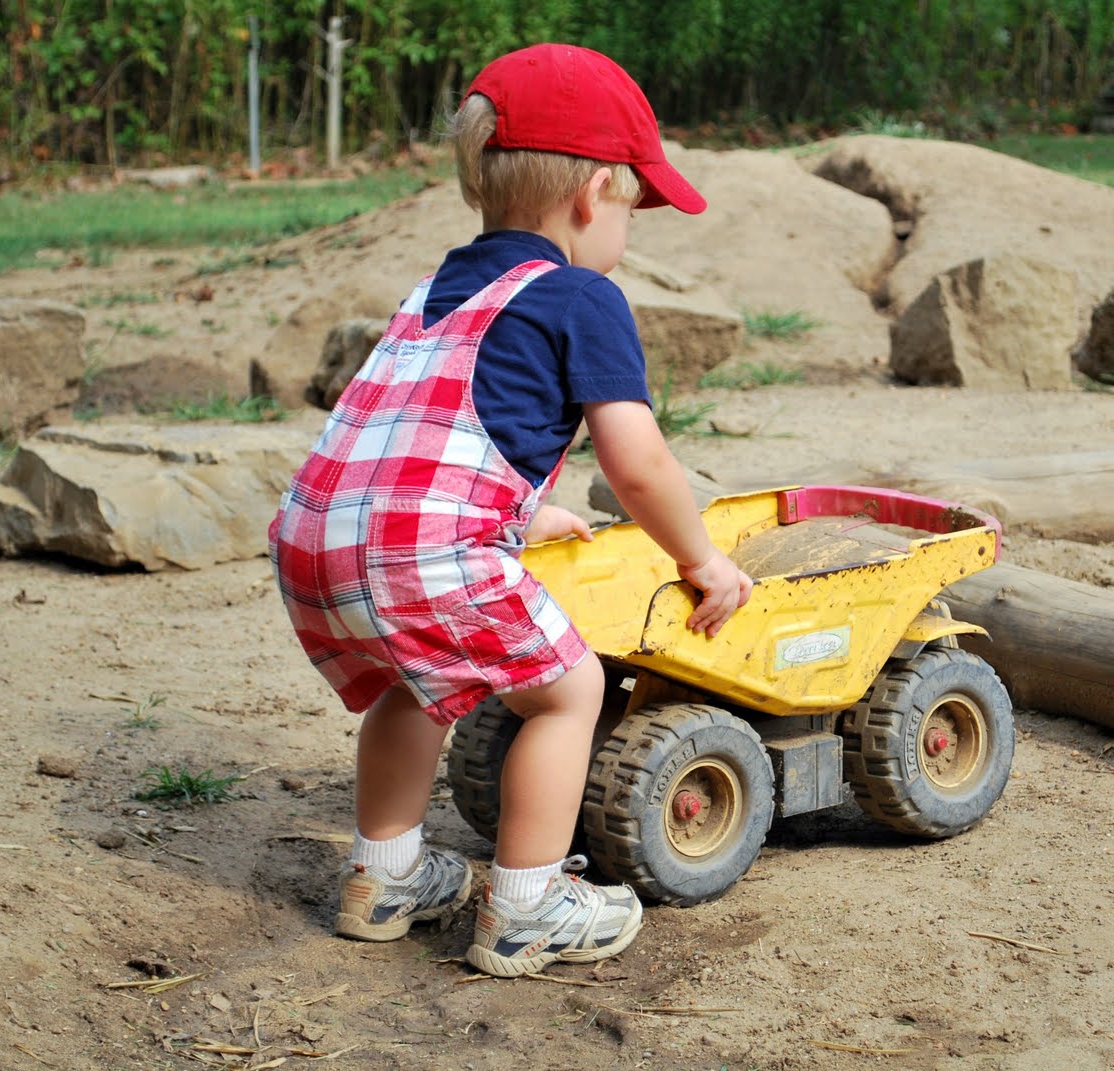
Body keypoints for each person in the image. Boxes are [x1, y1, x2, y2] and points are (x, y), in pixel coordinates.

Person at [267, 42, 753, 979]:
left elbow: (419, 431)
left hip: (316, 535)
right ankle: (528, 906)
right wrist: (702, 560)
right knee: (568, 691)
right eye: (631, 210)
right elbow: (639, 461)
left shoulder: (439, 286)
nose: (628, 233)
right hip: (422, 553)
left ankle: (384, 877)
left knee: (416, 681)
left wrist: (521, 518)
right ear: (589, 199)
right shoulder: (582, 295)